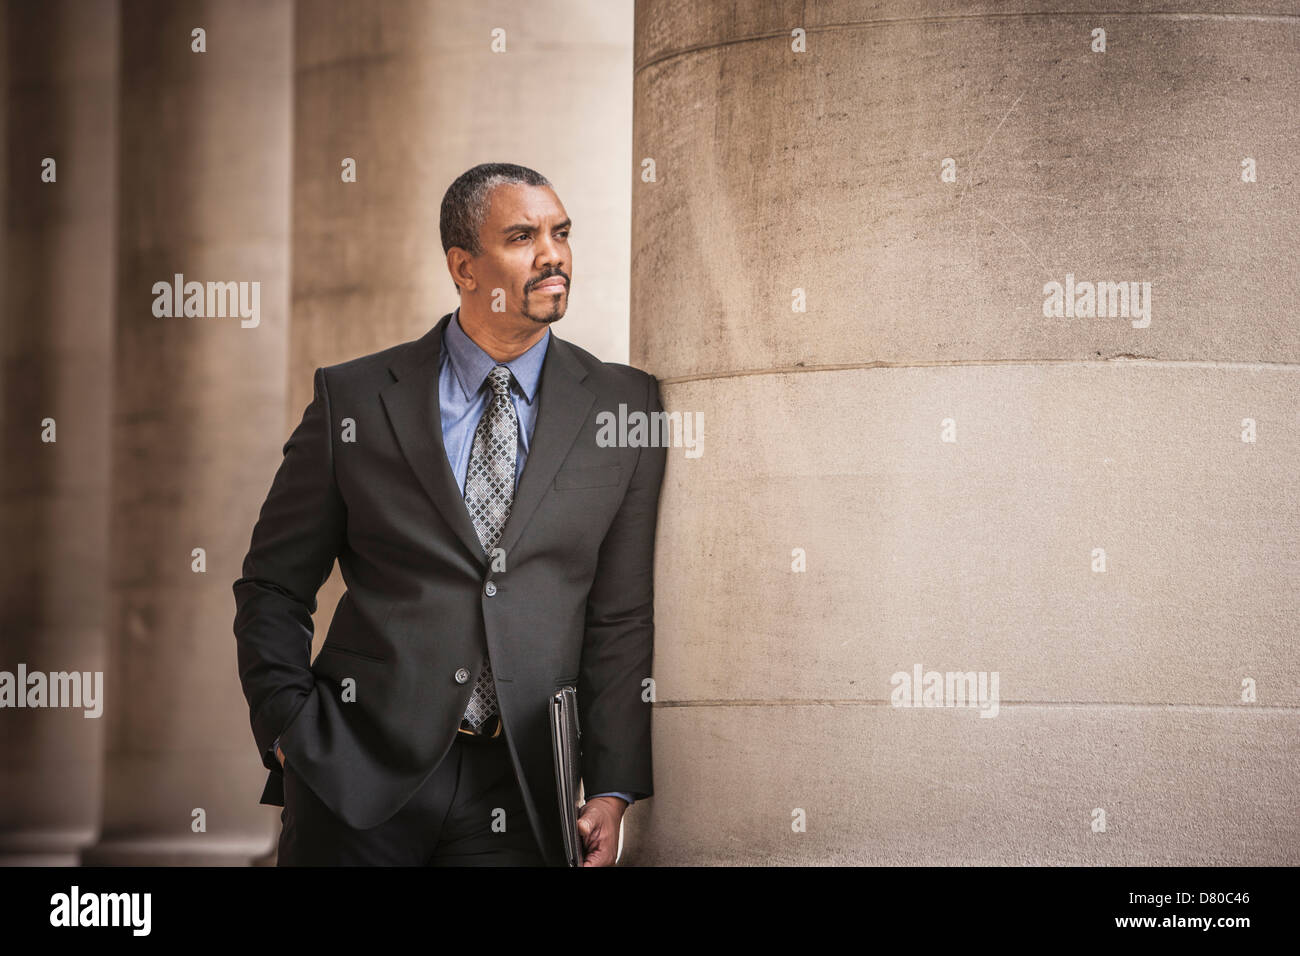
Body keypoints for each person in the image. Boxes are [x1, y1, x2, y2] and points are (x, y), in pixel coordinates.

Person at [232, 162, 667, 865]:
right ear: (464, 266)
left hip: (522, 790)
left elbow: (620, 614)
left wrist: (612, 788)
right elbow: (272, 586)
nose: (552, 254)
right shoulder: (356, 399)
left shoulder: (625, 407)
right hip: (355, 775)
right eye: (523, 236)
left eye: (560, 232)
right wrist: (288, 728)